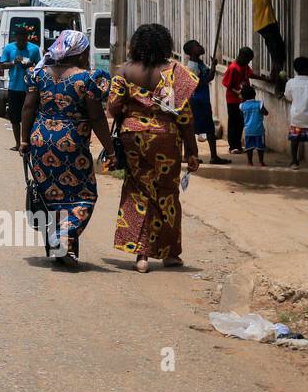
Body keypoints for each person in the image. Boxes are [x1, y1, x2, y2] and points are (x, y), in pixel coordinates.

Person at [19, 30, 114, 269]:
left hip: (40, 142)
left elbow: (28, 108)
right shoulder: (89, 79)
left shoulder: (38, 74)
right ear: (81, 52)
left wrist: (23, 140)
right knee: (84, 196)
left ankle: (62, 248)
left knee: (52, 196)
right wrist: (110, 149)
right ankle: (61, 239)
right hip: (72, 144)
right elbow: (97, 118)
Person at [109, 22, 200, 273]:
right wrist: (192, 152)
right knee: (167, 193)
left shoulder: (123, 71)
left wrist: (132, 108)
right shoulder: (175, 72)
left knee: (137, 190)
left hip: (132, 136)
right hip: (166, 137)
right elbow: (185, 116)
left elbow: (113, 108)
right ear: (165, 44)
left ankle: (141, 255)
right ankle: (170, 254)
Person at [0, 25, 42, 151]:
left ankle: (27, 143)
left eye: (24, 39)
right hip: (14, 88)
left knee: (30, 117)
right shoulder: (9, 48)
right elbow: (2, 65)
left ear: (27, 38)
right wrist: (13, 63)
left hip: (30, 89)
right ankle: (18, 144)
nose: (22, 42)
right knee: (15, 118)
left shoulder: (34, 49)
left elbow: (39, 66)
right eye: (19, 39)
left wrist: (30, 65)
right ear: (16, 38)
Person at [183, 39, 226, 164]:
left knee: (207, 129)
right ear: (191, 51)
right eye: (197, 46)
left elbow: (209, 77)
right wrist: (211, 70)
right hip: (197, 101)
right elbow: (197, 84)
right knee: (195, 129)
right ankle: (189, 156)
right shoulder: (192, 66)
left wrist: (213, 66)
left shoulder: (200, 63)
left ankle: (212, 156)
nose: (201, 46)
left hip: (203, 100)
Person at [251, 0, 290, 82]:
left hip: (262, 24)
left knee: (275, 50)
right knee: (278, 51)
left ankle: (274, 74)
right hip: (267, 23)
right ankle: (276, 77)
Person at [221, 46, 255, 154]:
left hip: (242, 100)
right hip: (233, 100)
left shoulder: (244, 66)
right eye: (247, 59)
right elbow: (227, 84)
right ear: (241, 56)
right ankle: (232, 146)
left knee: (240, 123)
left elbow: (251, 74)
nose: (248, 62)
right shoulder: (233, 68)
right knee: (233, 122)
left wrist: (264, 78)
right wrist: (238, 93)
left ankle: (238, 144)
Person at [239, 85, 268, 166]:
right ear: (254, 94)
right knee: (260, 147)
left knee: (249, 147)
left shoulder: (242, 106)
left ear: (243, 96)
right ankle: (261, 162)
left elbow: (241, 116)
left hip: (248, 130)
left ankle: (249, 162)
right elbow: (266, 113)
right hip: (259, 130)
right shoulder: (259, 104)